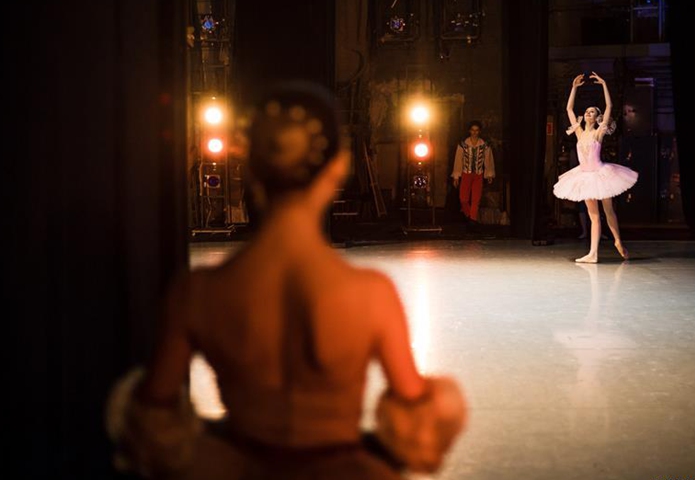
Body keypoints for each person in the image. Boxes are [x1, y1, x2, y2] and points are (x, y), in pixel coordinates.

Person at [106, 81, 466, 479]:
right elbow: (420, 418)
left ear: (249, 165)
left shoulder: (199, 292)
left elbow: (152, 420)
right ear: (338, 166)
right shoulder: (371, 294)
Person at [553, 72, 638, 263]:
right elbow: (569, 109)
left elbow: (609, 106)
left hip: (600, 174)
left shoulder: (599, 133)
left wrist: (604, 84)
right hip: (585, 175)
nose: (589, 113)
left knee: (608, 211)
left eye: (592, 111)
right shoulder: (579, 132)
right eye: (587, 111)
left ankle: (617, 241)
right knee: (593, 216)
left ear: (596, 117)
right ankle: (593, 253)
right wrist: (574, 88)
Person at [452, 120, 495, 226]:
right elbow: (458, 160)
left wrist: (489, 174)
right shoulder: (463, 144)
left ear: (479, 131)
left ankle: (473, 220)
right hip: (466, 174)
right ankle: (469, 216)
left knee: (476, 199)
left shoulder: (484, 145)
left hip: (478, 175)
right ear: (469, 131)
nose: (474, 132)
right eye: (473, 130)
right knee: (463, 199)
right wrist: (456, 176)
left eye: (477, 130)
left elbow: (488, 159)